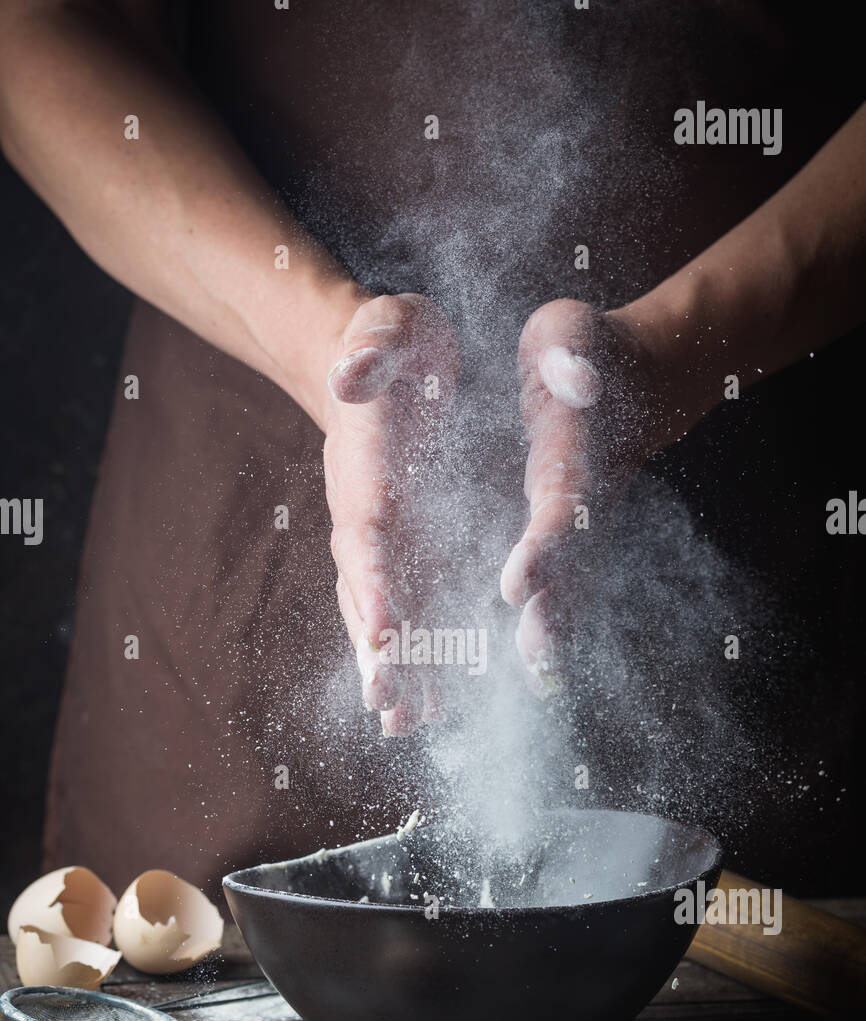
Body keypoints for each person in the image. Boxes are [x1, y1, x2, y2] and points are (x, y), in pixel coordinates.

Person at [0, 0, 863, 896]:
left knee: (743, 985)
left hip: (758, 490)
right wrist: (321, 344)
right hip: (244, 511)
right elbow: (39, 31)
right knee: (193, 1013)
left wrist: (680, 353)